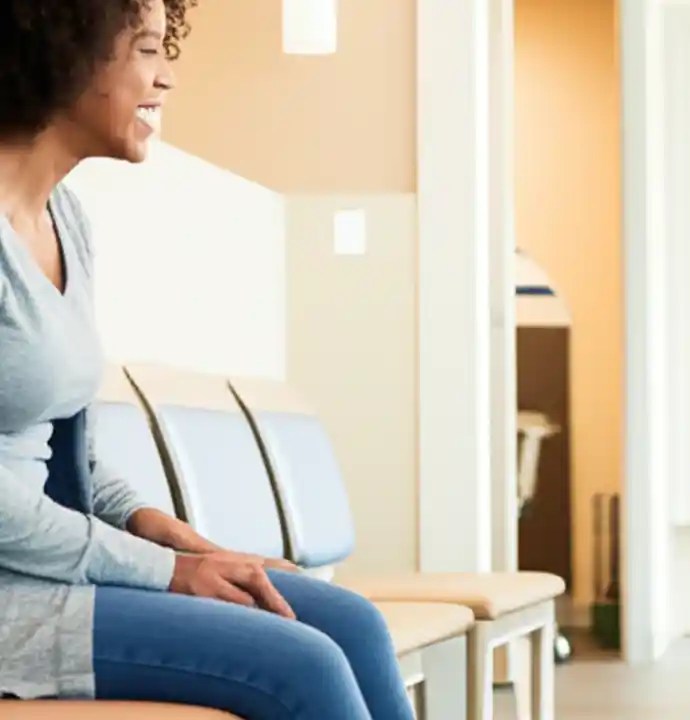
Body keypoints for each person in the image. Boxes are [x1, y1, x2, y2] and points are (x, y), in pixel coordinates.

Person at [0, 2, 415, 718]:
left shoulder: (66, 220)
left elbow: (71, 454)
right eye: (147, 49)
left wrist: (177, 537)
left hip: (51, 564)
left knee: (350, 622)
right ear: (65, 52)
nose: (166, 79)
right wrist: (168, 572)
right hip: (15, 597)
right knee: (304, 663)